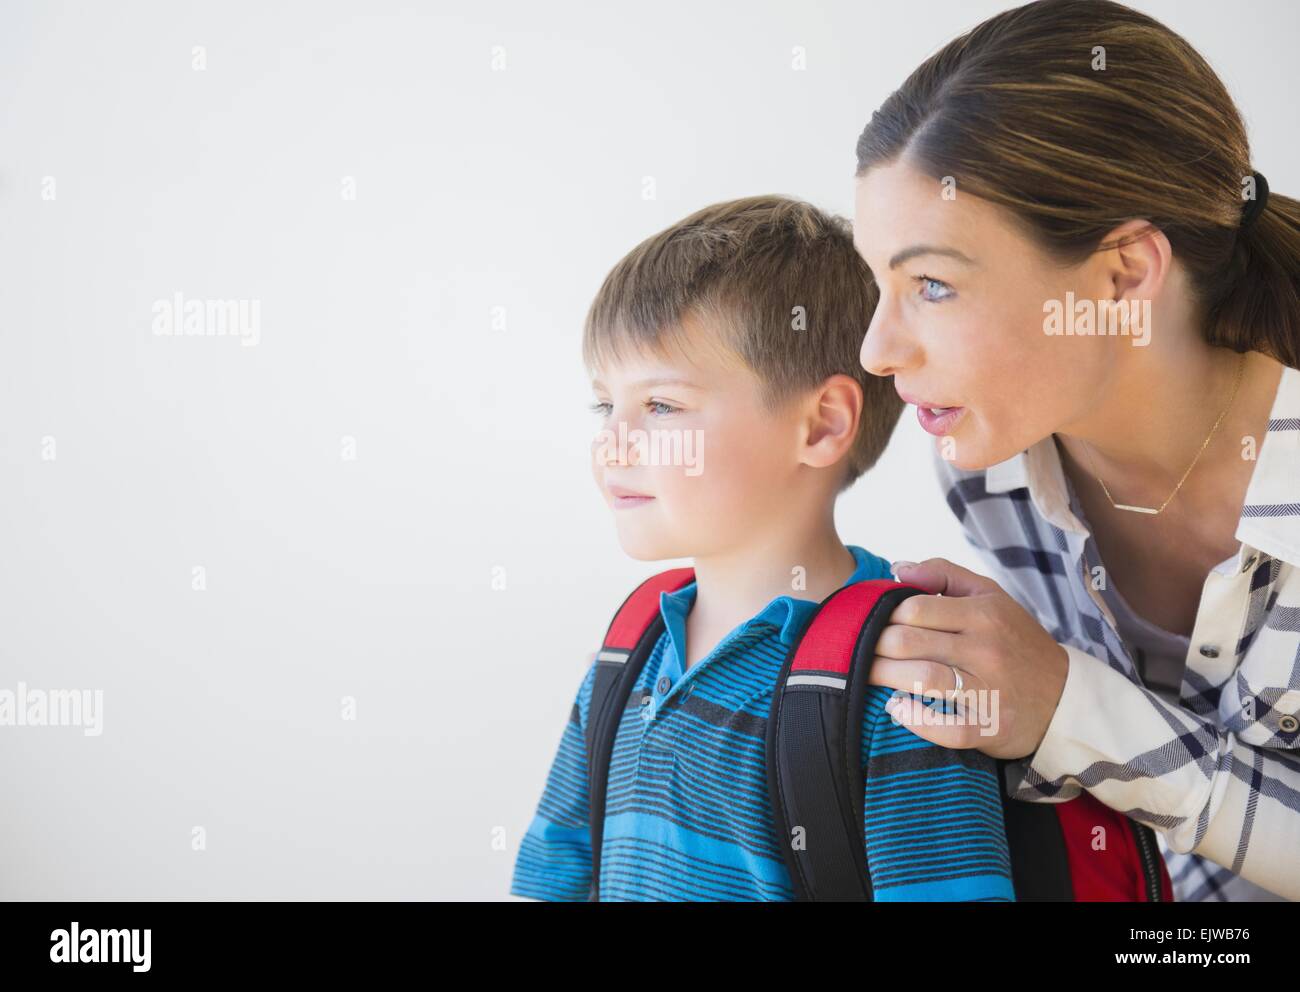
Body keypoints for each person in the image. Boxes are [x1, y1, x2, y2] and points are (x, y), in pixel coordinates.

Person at [852, 0, 1300, 900]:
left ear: (1124, 274)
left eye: (932, 284)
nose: (875, 351)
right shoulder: (994, 476)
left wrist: (1069, 708)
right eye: (880, 282)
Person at [509, 195, 1014, 901]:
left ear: (820, 426)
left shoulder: (901, 679)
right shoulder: (628, 653)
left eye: (660, 406)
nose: (612, 443)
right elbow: (552, 878)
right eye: (605, 406)